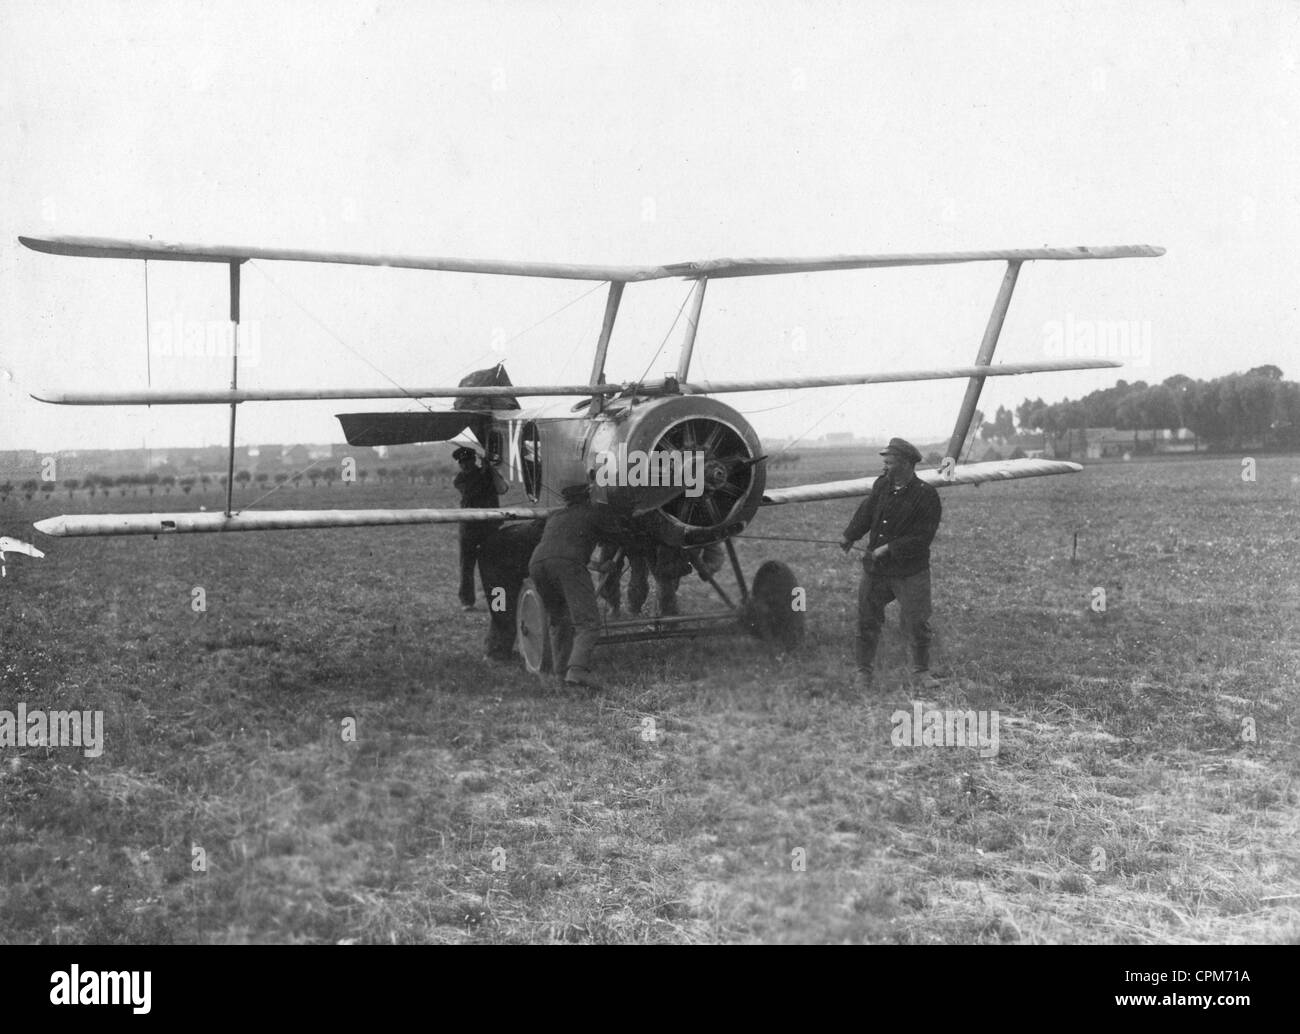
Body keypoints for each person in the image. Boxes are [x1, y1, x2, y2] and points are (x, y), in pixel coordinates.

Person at [840, 437, 942, 690]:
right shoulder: (882, 485)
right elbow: (866, 511)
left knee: (917, 622)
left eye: (890, 462)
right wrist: (850, 535)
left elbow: (922, 538)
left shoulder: (926, 495)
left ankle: (921, 672)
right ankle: (863, 672)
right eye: (884, 462)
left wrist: (888, 549)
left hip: (910, 571)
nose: (885, 467)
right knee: (867, 620)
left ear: (907, 464)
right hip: (877, 570)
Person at [527, 483, 630, 691]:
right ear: (588, 496)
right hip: (567, 565)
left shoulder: (555, 516)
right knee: (589, 623)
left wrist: (599, 566)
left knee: (557, 619)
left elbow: (560, 551)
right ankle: (577, 673)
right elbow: (620, 536)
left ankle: (559, 674)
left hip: (537, 564)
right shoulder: (593, 513)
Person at [476, 519, 546, 662]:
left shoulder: (537, 533)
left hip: (510, 561)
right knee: (501, 610)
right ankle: (494, 654)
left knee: (506, 608)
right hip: (494, 564)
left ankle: (498, 649)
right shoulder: (540, 536)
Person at [452, 445, 501, 610]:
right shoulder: (460, 479)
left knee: (494, 565)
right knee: (466, 566)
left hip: (489, 526)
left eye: (468, 461)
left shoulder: (487, 474)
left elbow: (502, 488)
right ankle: (467, 602)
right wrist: (485, 469)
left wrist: (488, 469)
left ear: (474, 460)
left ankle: (497, 603)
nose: (465, 465)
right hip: (469, 527)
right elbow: (473, 490)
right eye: (462, 462)